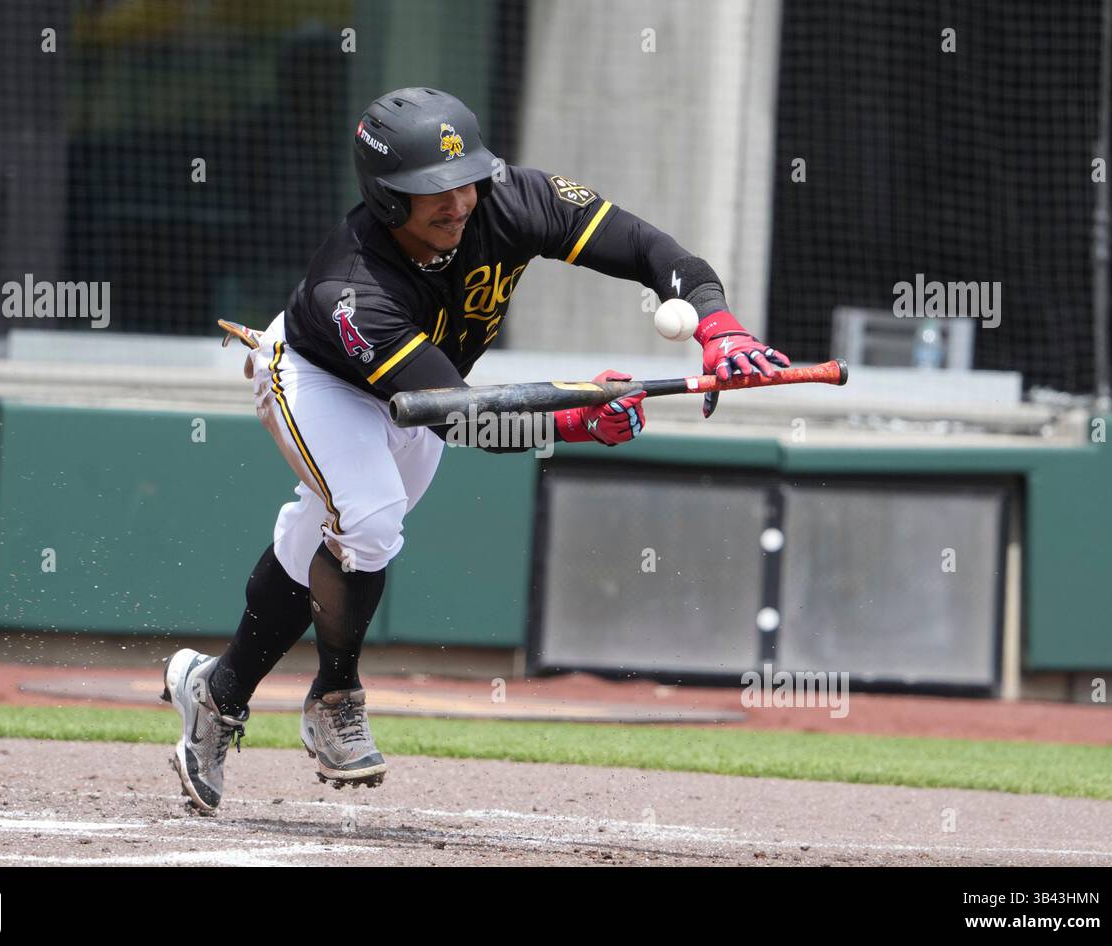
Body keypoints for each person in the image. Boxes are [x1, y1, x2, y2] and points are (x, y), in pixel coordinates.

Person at [161, 87, 789, 811]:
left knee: (336, 535)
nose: (457, 201)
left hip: (433, 386)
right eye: (431, 190)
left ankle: (218, 692)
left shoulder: (513, 198)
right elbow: (460, 421)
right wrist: (576, 420)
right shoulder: (353, 287)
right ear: (386, 195)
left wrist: (720, 324)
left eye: (466, 179)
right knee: (369, 518)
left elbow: (653, 251)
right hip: (319, 377)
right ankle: (336, 694)